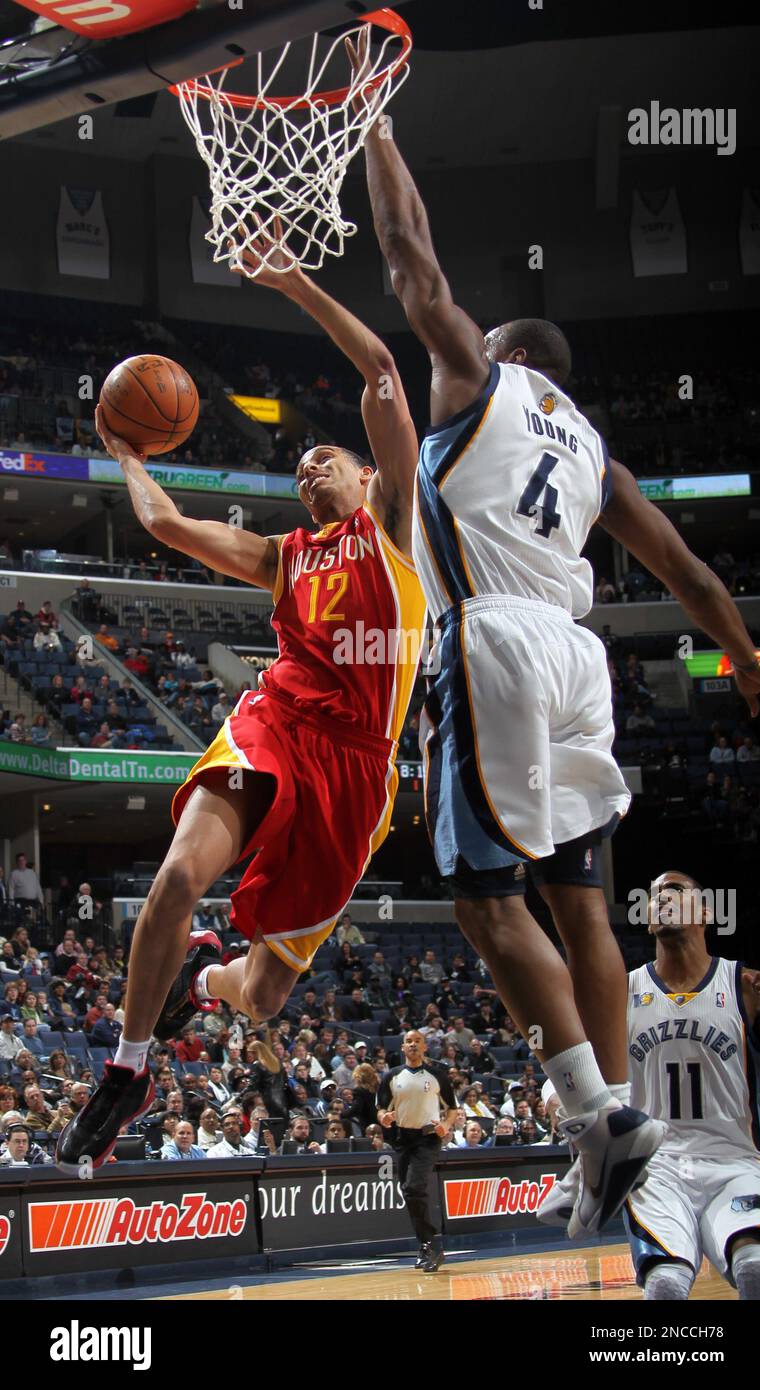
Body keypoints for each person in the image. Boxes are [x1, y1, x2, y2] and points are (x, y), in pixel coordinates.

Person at [353, 18, 760, 1240]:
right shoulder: (598, 456)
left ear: (510, 355)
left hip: (491, 642)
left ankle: (597, 1113)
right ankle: (616, 1127)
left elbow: (413, 269)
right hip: (585, 661)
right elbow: (692, 579)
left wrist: (372, 123)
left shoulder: (481, 380)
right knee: (584, 906)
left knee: (486, 904)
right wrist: (746, 663)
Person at [58, 244, 424, 1173]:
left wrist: (292, 282)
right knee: (177, 878)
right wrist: (124, 454)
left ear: (365, 477)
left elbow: (382, 369)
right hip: (278, 724)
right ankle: (131, 1065)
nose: (310, 472)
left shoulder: (394, 528)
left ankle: (210, 978)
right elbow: (167, 526)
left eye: (325, 460)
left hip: (359, 766)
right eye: (300, 468)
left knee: (260, 996)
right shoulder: (282, 556)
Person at [541, 870, 760, 1303]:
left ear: (706, 912)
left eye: (676, 891)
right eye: (654, 896)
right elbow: (568, 1064)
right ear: (647, 920)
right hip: (656, 1167)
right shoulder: (619, 992)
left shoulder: (749, 988)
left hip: (738, 1159)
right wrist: (557, 1097)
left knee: (759, 1269)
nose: (663, 899)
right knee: (665, 1285)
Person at [377, 1030, 459, 1273]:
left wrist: (445, 1125)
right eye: (408, 1042)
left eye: (417, 1041)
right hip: (403, 1138)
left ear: (424, 1047)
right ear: (402, 1048)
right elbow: (380, 1109)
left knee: (414, 1187)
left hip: (428, 1138)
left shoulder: (437, 1075)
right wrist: (385, 1118)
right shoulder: (392, 1076)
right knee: (409, 1192)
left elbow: (452, 1108)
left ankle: (431, 1244)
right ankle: (426, 1244)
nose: (413, 1045)